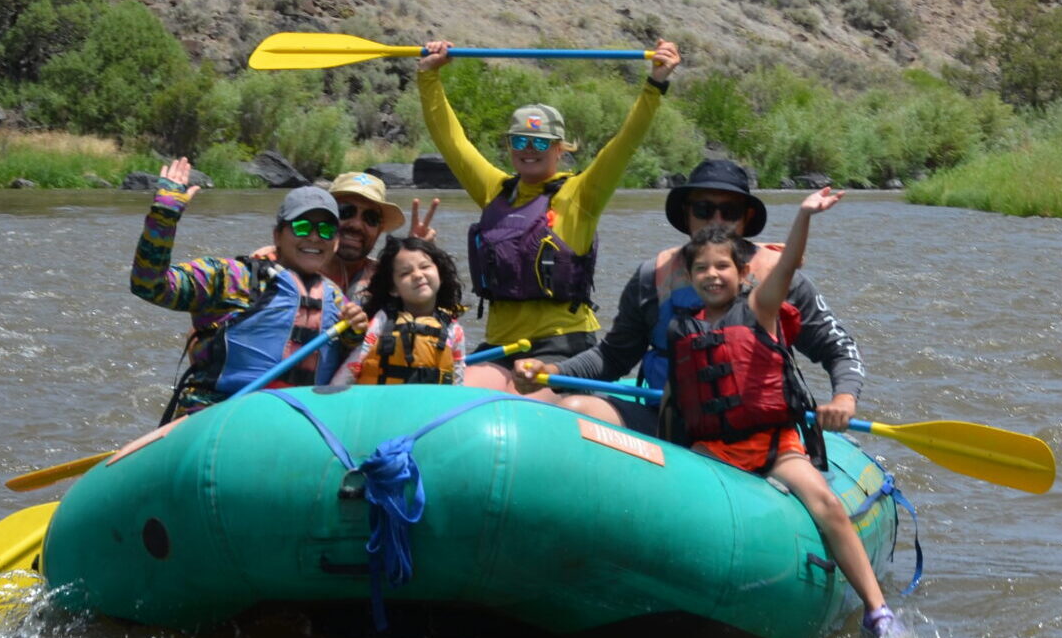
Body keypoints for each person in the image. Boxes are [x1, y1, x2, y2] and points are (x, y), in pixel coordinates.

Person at [667, 188, 897, 638]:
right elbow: (676, 405)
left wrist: (804, 216)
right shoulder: (682, 329)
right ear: (689, 275)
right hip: (713, 448)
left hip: (773, 446)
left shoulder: (760, 308)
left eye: (722, 266)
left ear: (743, 271)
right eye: (701, 268)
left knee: (827, 504)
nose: (712, 275)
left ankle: (877, 610)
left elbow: (789, 264)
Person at [513, 157, 864, 436]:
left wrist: (844, 398)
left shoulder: (779, 278)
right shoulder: (653, 277)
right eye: (703, 208)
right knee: (575, 411)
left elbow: (838, 349)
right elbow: (612, 357)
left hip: (752, 431)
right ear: (686, 214)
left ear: (746, 219)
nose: (716, 219)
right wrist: (553, 372)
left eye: (730, 211)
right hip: (667, 419)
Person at [416, 36, 681, 389]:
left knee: (526, 393)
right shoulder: (495, 190)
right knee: (463, 387)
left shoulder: (581, 194)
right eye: (519, 141)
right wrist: (428, 78)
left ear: (559, 149)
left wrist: (655, 83)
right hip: (501, 345)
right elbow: (452, 141)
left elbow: (624, 143)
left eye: (540, 142)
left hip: (563, 346)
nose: (529, 150)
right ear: (509, 146)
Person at [131, 158, 367, 419]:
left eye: (325, 230)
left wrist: (353, 335)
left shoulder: (337, 299)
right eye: (301, 227)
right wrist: (164, 217)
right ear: (278, 235)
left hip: (296, 426)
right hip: (219, 418)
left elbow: (346, 365)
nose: (313, 237)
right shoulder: (234, 277)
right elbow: (150, 285)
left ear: (335, 242)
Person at [346, 234, 468, 385]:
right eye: (405, 273)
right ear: (393, 289)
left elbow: (458, 377)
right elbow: (353, 366)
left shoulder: (453, 330)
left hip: (430, 406)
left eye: (425, 267)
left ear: (440, 275)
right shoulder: (382, 321)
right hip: (381, 403)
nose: (417, 275)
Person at [323, 170, 408, 302]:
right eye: (346, 211)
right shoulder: (288, 267)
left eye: (371, 218)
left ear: (380, 229)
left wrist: (417, 257)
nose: (357, 225)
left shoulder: (391, 277)